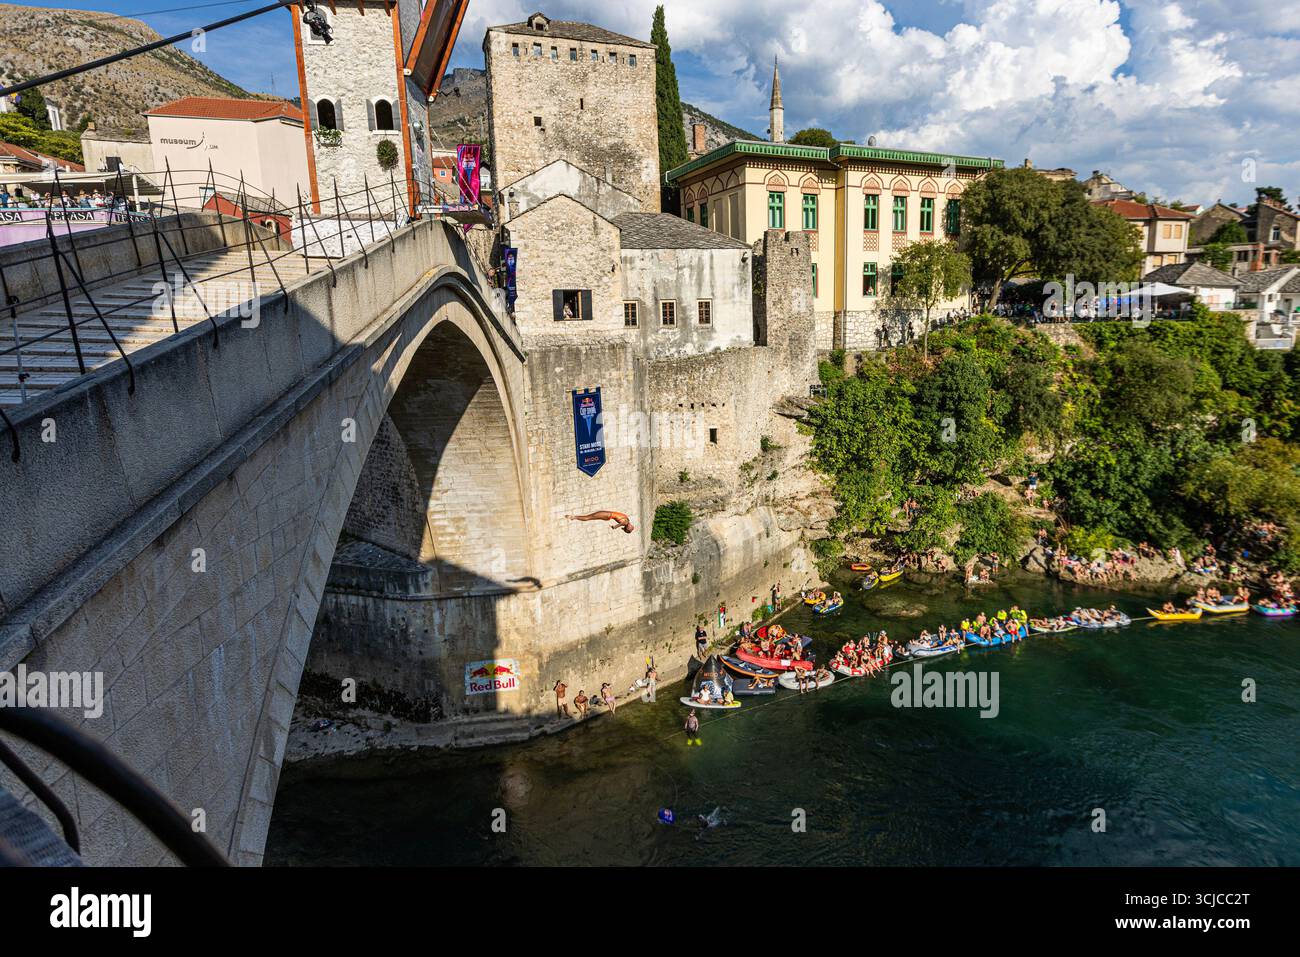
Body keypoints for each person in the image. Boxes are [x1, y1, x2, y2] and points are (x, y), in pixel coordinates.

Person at [566, 510, 634, 533]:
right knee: (589, 517)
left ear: (628, 527)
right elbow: (620, 525)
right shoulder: (626, 521)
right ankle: (574, 517)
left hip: (607, 515)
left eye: (630, 528)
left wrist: (614, 527)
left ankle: (574, 517)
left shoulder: (625, 522)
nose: (631, 526)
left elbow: (617, 526)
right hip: (607, 515)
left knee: (589, 517)